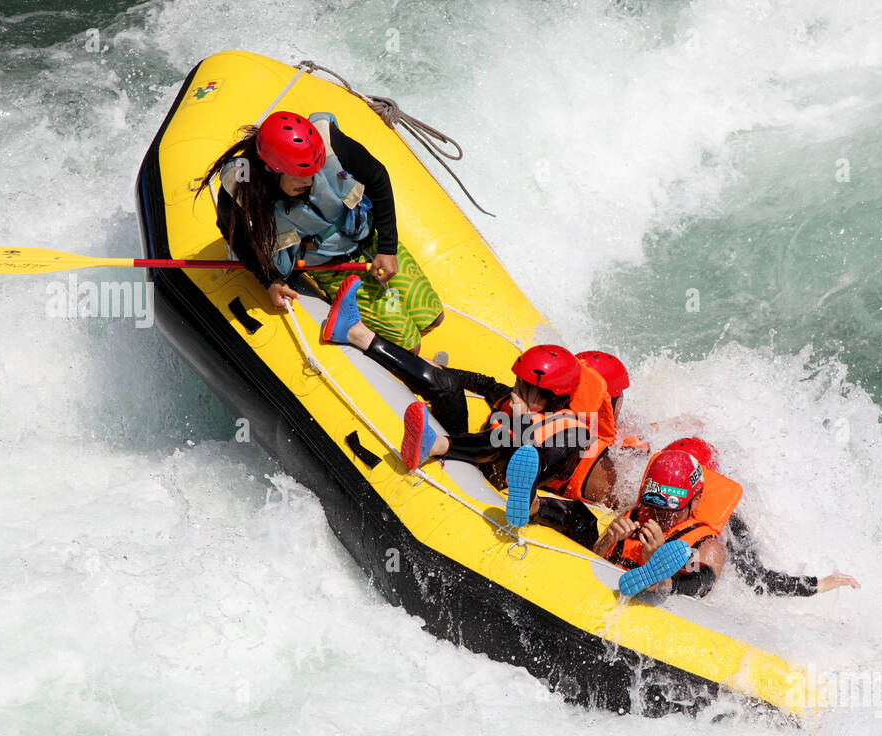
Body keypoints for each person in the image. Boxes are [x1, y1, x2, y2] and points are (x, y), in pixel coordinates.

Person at [194, 110, 469, 431]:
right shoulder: (242, 182)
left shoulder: (326, 143)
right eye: (300, 177)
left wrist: (388, 248)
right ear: (272, 169)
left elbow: (378, 177)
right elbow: (235, 235)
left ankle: (435, 367)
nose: (311, 182)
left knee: (432, 317)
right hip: (331, 264)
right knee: (410, 346)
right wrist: (268, 279)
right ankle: (428, 379)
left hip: (368, 240)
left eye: (313, 172)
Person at [401, 345, 603, 545]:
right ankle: (369, 341)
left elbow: (537, 467)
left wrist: (521, 421)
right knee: (449, 387)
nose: (517, 390)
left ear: (553, 397)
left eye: (527, 387)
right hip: (483, 466)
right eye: (519, 381)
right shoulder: (514, 399)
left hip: (520, 487)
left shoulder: (573, 434)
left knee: (505, 441)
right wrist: (440, 371)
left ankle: (436, 445)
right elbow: (485, 384)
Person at [594, 448, 861, 598]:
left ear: (695, 501)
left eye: (671, 510)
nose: (659, 516)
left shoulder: (708, 546)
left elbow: (702, 582)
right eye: (654, 505)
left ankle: (657, 579)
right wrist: (606, 541)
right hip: (606, 592)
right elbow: (590, 560)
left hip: (666, 593)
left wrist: (658, 568)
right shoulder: (634, 515)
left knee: (683, 566)